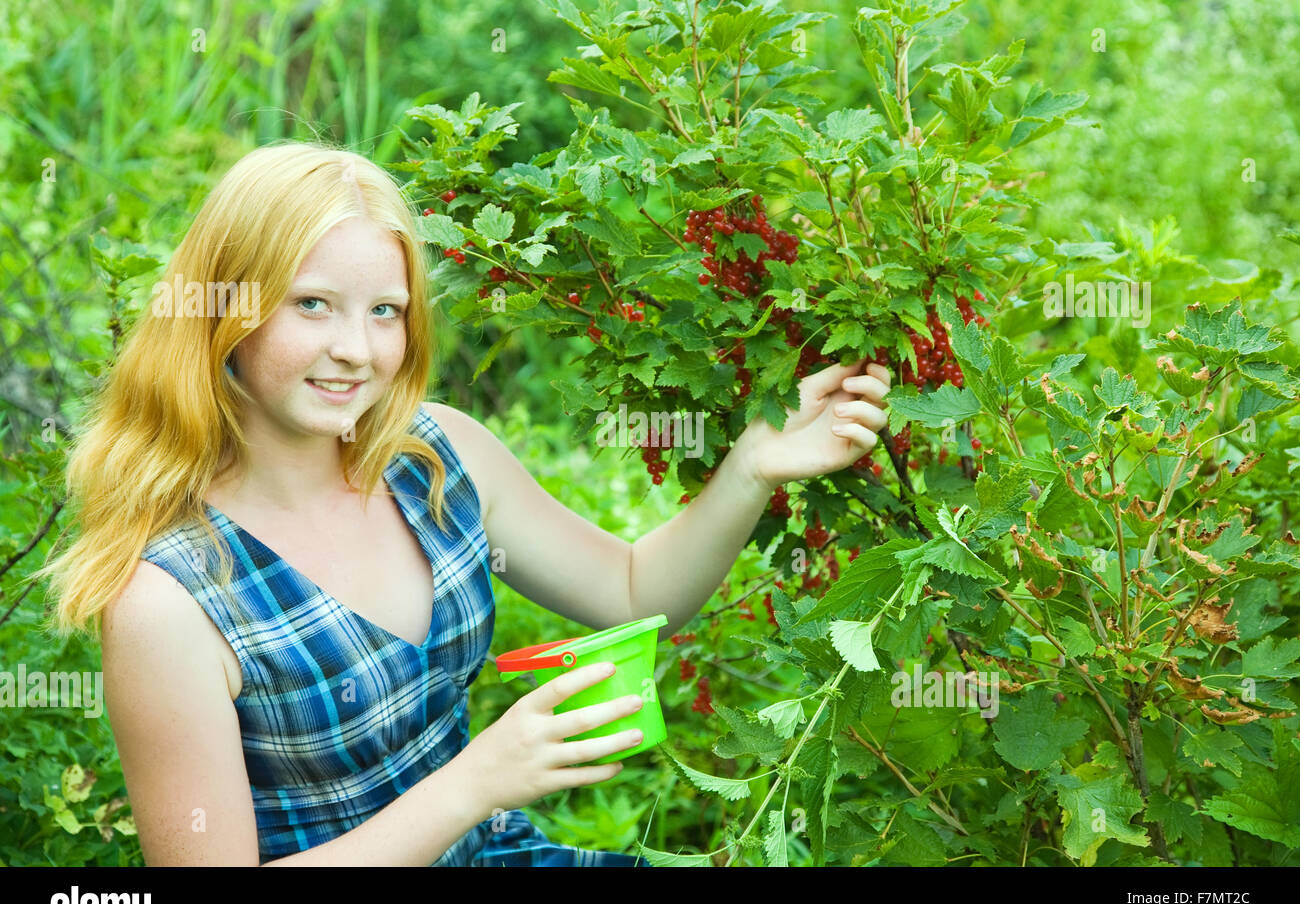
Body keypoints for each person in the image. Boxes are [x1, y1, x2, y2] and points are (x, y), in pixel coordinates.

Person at [36, 141, 892, 866]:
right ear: (227, 309)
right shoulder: (171, 598)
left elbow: (636, 593)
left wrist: (752, 468)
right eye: (312, 306)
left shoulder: (432, 459)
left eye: (385, 312)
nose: (356, 351)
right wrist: (478, 782)